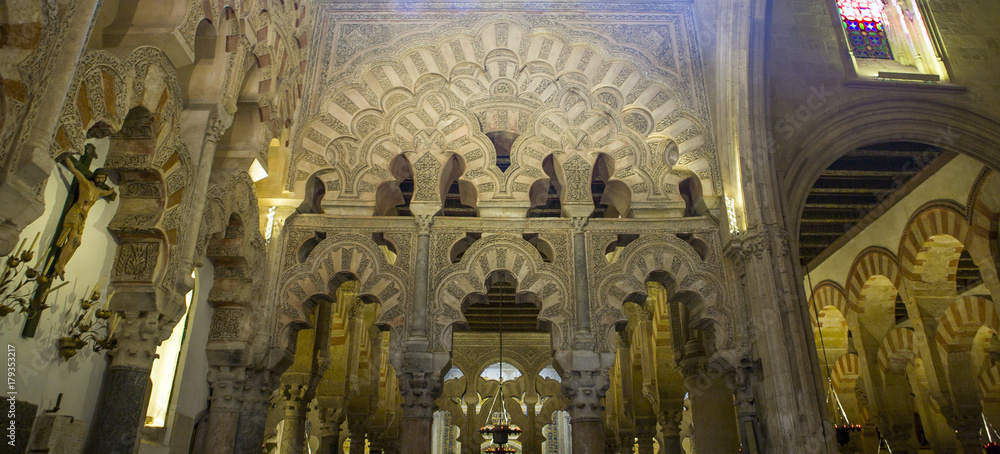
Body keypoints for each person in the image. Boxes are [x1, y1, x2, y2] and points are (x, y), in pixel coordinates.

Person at [52, 149, 117, 280]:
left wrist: (111, 191)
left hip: (83, 217)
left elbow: (109, 193)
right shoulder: (85, 183)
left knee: (78, 243)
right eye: (99, 177)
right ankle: (59, 264)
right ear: (94, 176)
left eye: (103, 179)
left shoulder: (99, 191)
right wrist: (66, 156)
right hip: (76, 212)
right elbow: (73, 170)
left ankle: (62, 264)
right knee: (73, 239)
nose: (100, 180)